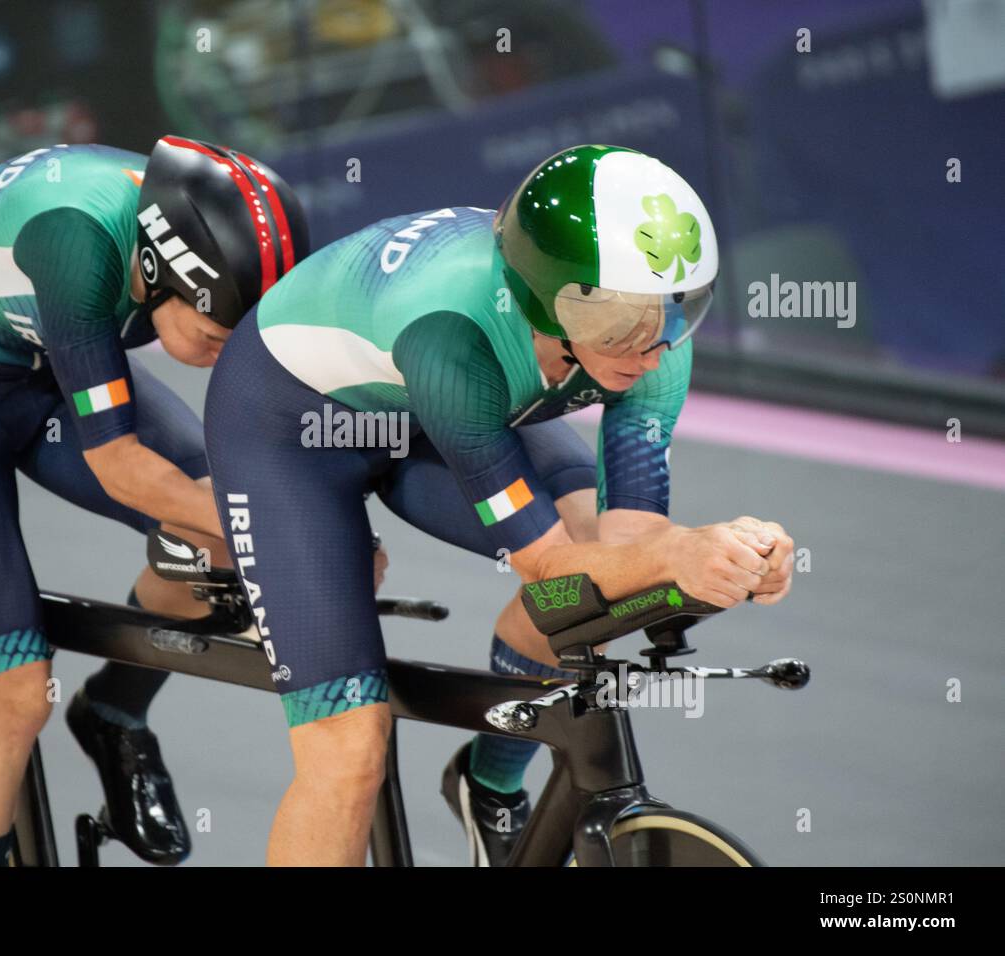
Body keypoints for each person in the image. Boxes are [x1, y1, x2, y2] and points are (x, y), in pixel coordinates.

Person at [202, 144, 794, 866]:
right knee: (349, 748)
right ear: (550, 298)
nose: (650, 352)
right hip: (287, 434)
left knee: (601, 584)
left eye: (676, 312)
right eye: (618, 324)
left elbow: (630, 542)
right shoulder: (453, 338)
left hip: (434, 409)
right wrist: (677, 555)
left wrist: (736, 559)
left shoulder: (657, 339)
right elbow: (551, 569)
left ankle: (489, 784)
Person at [0, 136, 309, 866]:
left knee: (216, 537)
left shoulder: (188, 247)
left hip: (46, 359)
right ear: (161, 277)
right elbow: (121, 468)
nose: (227, 358)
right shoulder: (79, 244)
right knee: (11, 696)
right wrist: (282, 531)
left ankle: (113, 712)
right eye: (213, 336)